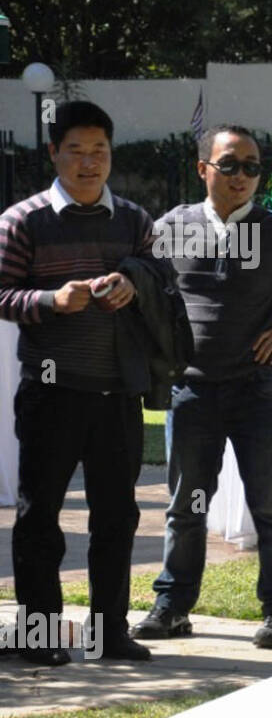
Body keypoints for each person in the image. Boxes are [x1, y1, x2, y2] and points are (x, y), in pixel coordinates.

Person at [132, 124, 272, 650]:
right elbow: (137, 275)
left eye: (252, 166)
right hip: (193, 394)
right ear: (203, 168)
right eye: (230, 164)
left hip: (256, 392)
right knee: (187, 507)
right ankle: (172, 606)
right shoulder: (174, 226)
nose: (242, 176)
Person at [0, 101, 155, 665]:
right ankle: (40, 634)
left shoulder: (135, 219)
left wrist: (135, 286)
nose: (89, 163)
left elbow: (160, 278)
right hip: (51, 390)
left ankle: (109, 631)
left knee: (117, 515)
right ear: (53, 153)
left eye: (100, 152)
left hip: (118, 390)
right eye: (76, 151)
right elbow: (2, 293)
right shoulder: (23, 221)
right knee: (40, 514)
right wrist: (50, 300)